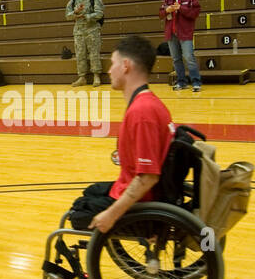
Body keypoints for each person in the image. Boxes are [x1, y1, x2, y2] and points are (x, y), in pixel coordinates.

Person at [61, 35, 175, 232]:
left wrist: (111, 214)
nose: (108, 70)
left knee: (79, 212)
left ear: (125, 66)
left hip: (144, 201)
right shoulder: (148, 103)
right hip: (142, 190)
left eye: (113, 63)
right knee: (91, 192)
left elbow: (148, 178)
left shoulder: (142, 112)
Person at [159, 0, 202, 92]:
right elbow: (160, 13)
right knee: (176, 59)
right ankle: (181, 82)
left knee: (189, 57)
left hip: (185, 32)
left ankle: (196, 82)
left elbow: (195, 13)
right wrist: (166, 11)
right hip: (172, 33)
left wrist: (181, 8)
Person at [65, 0, 105, 86]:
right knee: (80, 54)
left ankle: (96, 76)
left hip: (92, 30)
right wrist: (75, 12)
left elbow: (100, 13)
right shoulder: (73, 0)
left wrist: (87, 16)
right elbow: (67, 16)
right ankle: (82, 77)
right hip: (78, 31)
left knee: (94, 53)